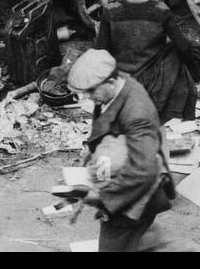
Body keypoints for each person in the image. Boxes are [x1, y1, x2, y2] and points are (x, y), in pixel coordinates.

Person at [68, 48, 174, 252]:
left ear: (109, 82)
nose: (88, 98)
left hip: (135, 195)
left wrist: (103, 197)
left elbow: (143, 169)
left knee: (112, 245)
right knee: (142, 238)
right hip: (127, 186)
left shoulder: (137, 113)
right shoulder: (116, 85)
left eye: (91, 91)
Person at [93, 0, 199, 120]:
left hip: (121, 83)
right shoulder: (161, 11)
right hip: (154, 84)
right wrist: (193, 70)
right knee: (177, 49)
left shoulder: (110, 12)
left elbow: (99, 53)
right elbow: (184, 49)